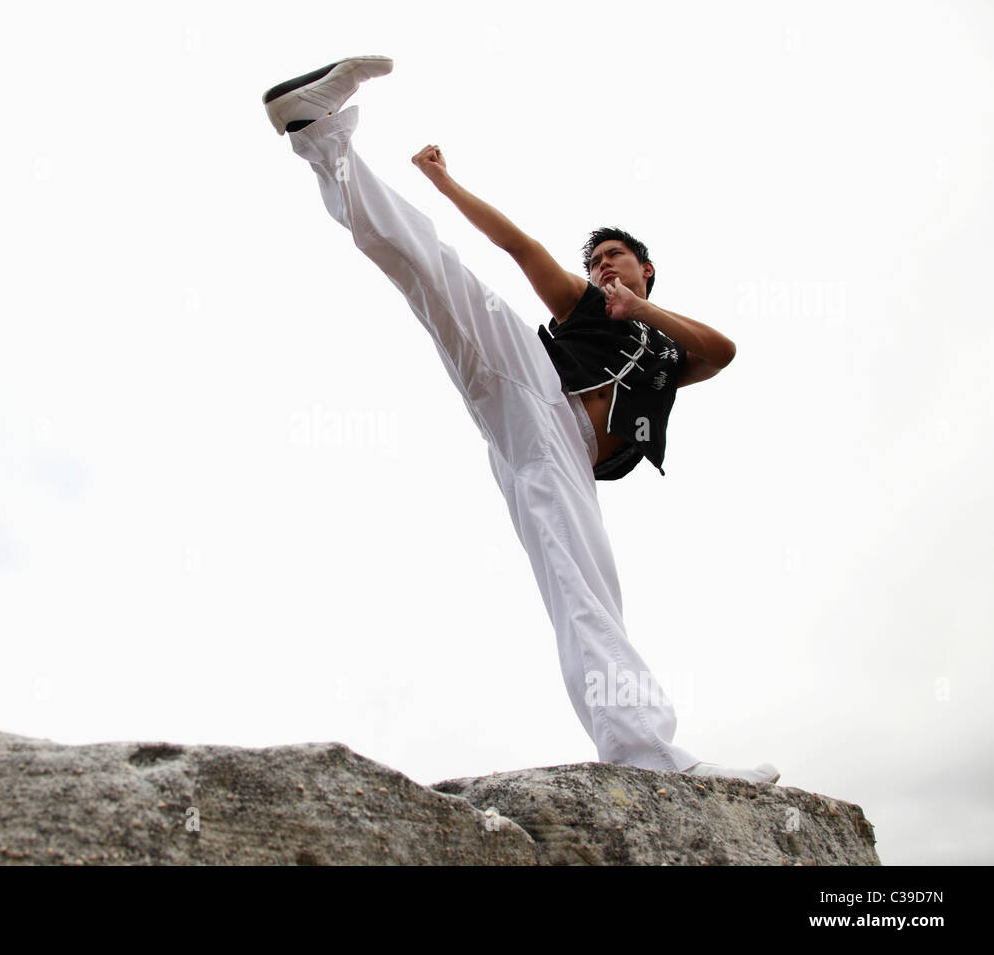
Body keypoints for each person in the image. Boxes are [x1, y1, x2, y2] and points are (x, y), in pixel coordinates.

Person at [263, 56, 778, 784]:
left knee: (588, 592)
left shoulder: (667, 339)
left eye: (616, 256)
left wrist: (642, 309)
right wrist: (445, 183)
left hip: (557, 454)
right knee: (437, 273)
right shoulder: (585, 302)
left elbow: (721, 352)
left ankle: (643, 747)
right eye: (597, 258)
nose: (603, 266)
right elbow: (519, 248)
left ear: (646, 269)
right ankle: (321, 136)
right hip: (537, 391)